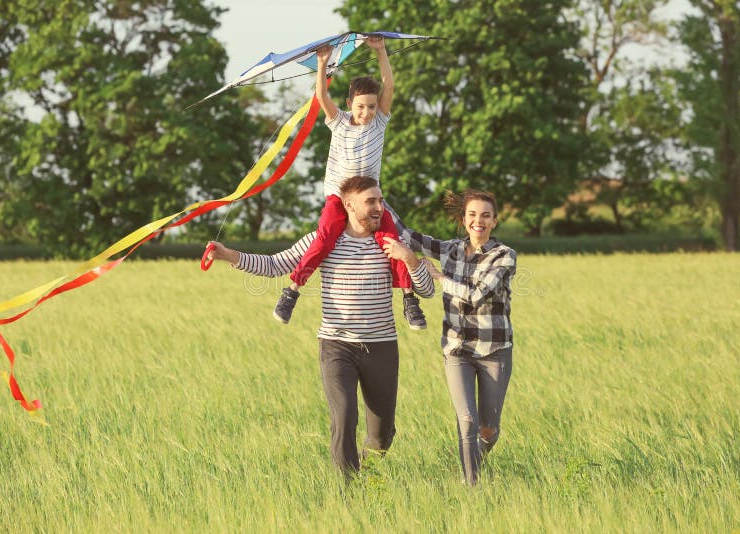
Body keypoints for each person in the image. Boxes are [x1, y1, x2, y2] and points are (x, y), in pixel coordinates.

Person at [207, 176, 434, 478]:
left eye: (381, 201)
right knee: (344, 418)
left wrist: (410, 259)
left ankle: (368, 477)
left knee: (382, 435)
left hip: (381, 346)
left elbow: (427, 291)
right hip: (336, 346)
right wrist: (228, 255)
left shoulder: (392, 243)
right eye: (371, 201)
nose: (380, 207)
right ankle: (348, 493)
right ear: (349, 204)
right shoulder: (324, 239)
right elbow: (275, 265)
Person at [273, 34, 427, 330]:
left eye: (371, 106)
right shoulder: (339, 121)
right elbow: (321, 96)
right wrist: (322, 62)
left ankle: (409, 299)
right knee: (323, 239)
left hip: (369, 199)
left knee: (392, 240)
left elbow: (389, 86)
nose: (366, 113)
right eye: (361, 107)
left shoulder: (379, 122)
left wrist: (381, 51)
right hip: (338, 197)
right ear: (349, 104)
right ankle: (292, 291)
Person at [382, 190, 516, 486]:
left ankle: (476, 458)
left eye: (485, 215)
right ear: (464, 219)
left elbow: (477, 296)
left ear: (494, 221)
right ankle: (472, 487)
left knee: (488, 430)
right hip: (457, 349)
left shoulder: (504, 256)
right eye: (472, 214)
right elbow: (408, 234)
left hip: (494, 350)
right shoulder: (450, 249)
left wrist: (440, 278)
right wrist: (379, 198)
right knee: (466, 421)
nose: (478, 221)